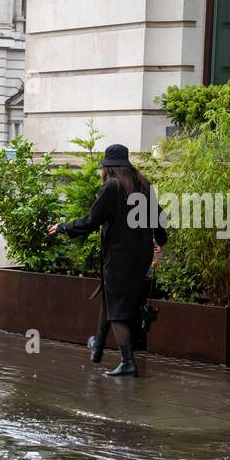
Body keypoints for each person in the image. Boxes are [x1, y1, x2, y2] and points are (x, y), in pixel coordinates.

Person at [48, 144, 167, 378]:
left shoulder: (112, 187)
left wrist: (64, 227)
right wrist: (159, 239)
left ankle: (127, 361)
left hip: (119, 256)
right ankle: (98, 344)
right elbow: (159, 216)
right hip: (140, 255)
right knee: (111, 298)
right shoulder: (143, 184)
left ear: (108, 167)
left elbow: (92, 220)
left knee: (118, 311)